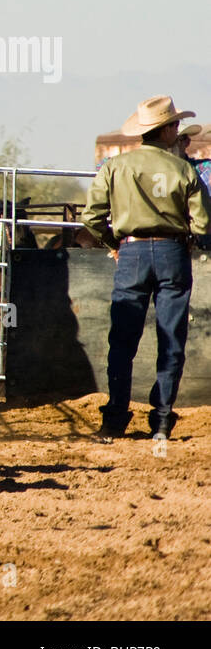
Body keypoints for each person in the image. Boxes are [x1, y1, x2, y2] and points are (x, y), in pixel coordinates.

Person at [81, 96, 211, 441]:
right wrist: (191, 240)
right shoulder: (184, 169)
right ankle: (162, 419)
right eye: (176, 126)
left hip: (132, 254)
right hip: (172, 254)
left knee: (122, 340)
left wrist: (113, 246)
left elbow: (91, 218)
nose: (178, 130)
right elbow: (203, 223)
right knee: (172, 339)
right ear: (166, 130)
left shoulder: (115, 166)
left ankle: (114, 418)